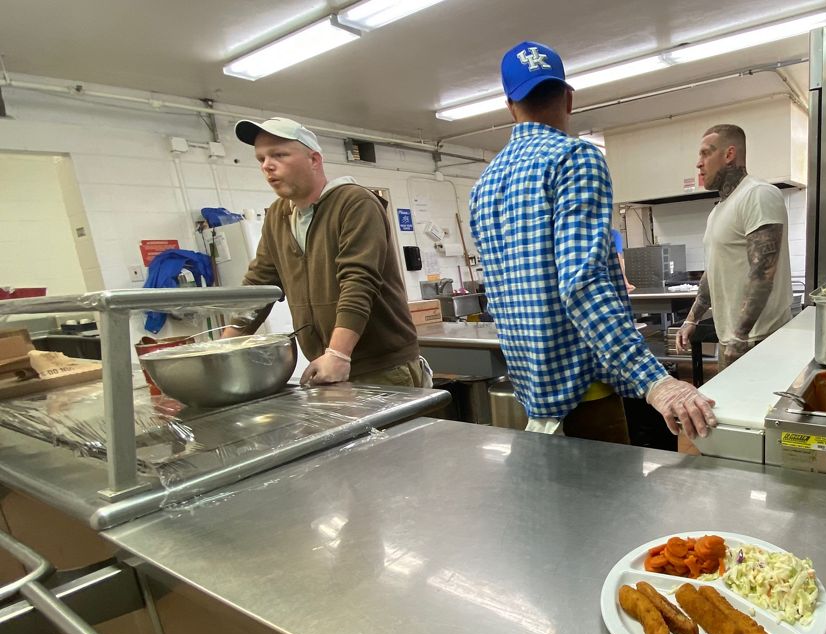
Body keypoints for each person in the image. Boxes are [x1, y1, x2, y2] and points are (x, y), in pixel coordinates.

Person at [468, 41, 716, 442]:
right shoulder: (574, 157)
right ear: (568, 98)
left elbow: (496, 295)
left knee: (551, 504)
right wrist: (656, 381)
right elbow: (581, 283)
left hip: (531, 396)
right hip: (585, 394)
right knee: (610, 503)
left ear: (509, 106)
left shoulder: (483, 186)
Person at [226, 117, 428, 388]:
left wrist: (338, 353)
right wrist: (222, 352)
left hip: (381, 368)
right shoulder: (277, 216)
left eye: (279, 155)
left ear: (314, 159)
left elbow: (358, 281)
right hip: (327, 367)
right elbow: (258, 287)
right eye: (261, 158)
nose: (267, 166)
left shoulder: (355, 203)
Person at [674, 124, 791, 368]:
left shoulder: (757, 194)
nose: (698, 163)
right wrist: (691, 319)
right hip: (732, 339)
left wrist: (740, 336)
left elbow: (762, 275)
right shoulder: (718, 211)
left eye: (706, 153)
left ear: (729, 155)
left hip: (758, 339)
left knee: (761, 407)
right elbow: (713, 271)